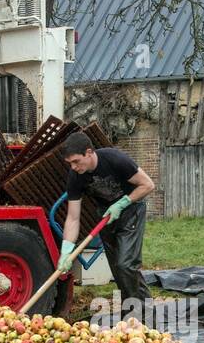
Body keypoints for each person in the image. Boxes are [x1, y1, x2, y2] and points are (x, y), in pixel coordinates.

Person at [58, 133, 155, 311]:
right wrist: (66, 251)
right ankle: (131, 313)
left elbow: (148, 184)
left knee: (126, 265)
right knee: (118, 271)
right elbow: (73, 217)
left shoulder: (114, 159)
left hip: (130, 210)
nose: (73, 167)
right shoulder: (75, 176)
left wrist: (123, 202)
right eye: (70, 163)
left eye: (76, 161)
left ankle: (145, 313)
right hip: (105, 216)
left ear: (89, 152)